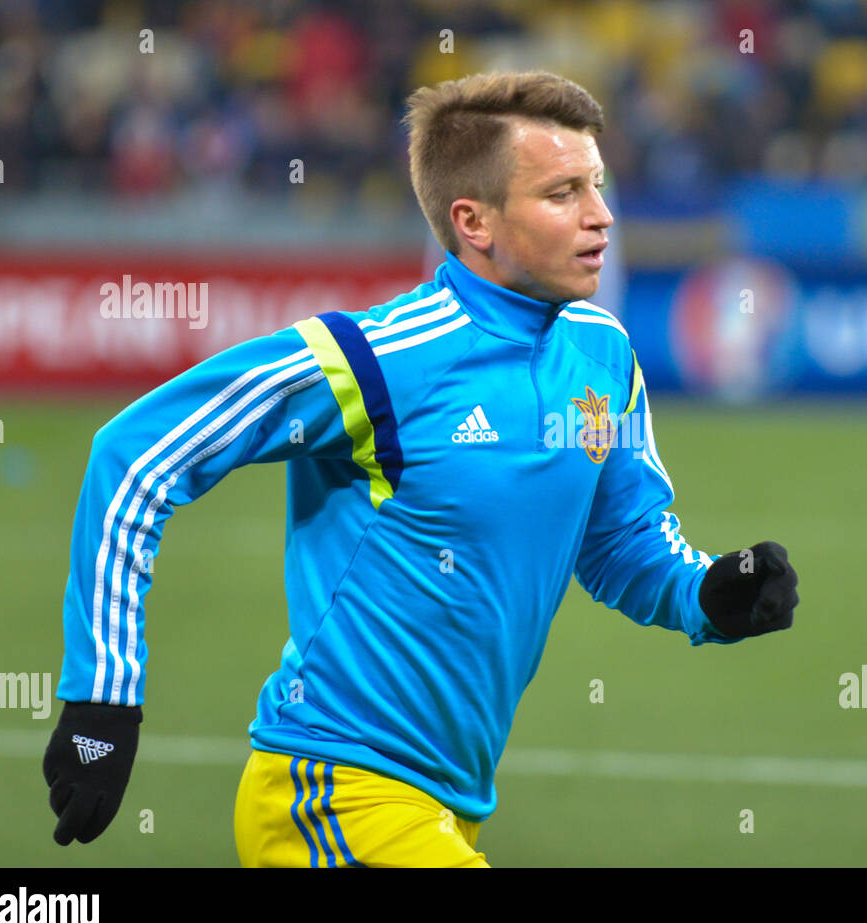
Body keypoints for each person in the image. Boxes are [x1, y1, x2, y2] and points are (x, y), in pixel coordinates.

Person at [43, 70, 799, 867]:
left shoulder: (603, 353)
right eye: (563, 192)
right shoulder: (378, 361)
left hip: (445, 807)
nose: (602, 215)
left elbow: (620, 541)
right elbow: (135, 456)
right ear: (474, 222)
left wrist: (705, 595)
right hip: (330, 795)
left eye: (599, 185)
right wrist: (103, 696)